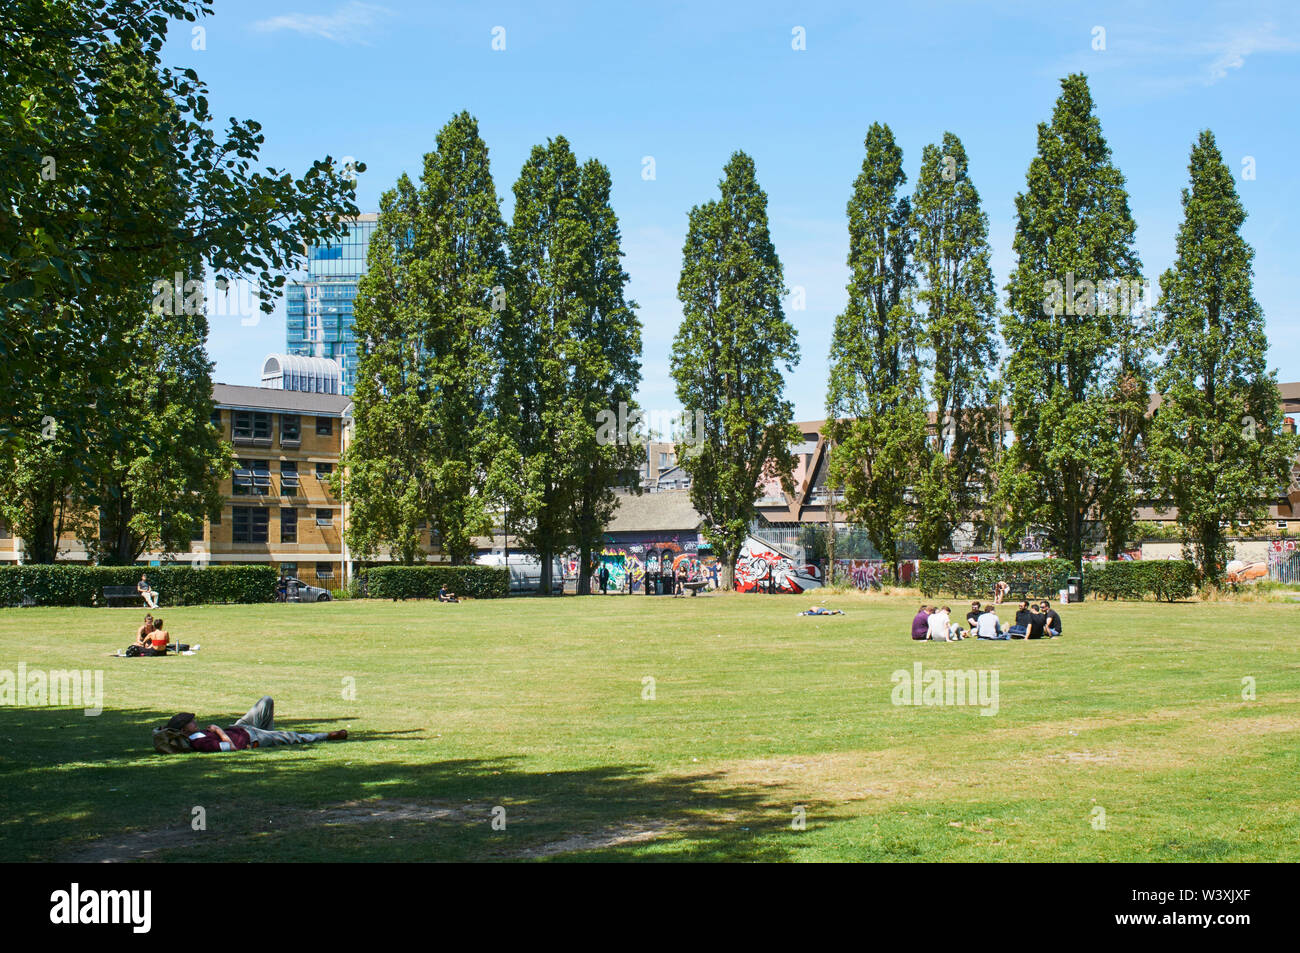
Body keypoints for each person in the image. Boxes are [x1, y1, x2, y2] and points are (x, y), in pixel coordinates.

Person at [152, 696, 347, 754]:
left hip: (241, 727)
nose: (195, 722)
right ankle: (327, 736)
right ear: (185, 729)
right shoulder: (200, 743)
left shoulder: (198, 735)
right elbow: (230, 747)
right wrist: (219, 731)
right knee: (292, 737)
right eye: (191, 722)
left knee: (266, 702)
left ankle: (270, 735)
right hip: (250, 738)